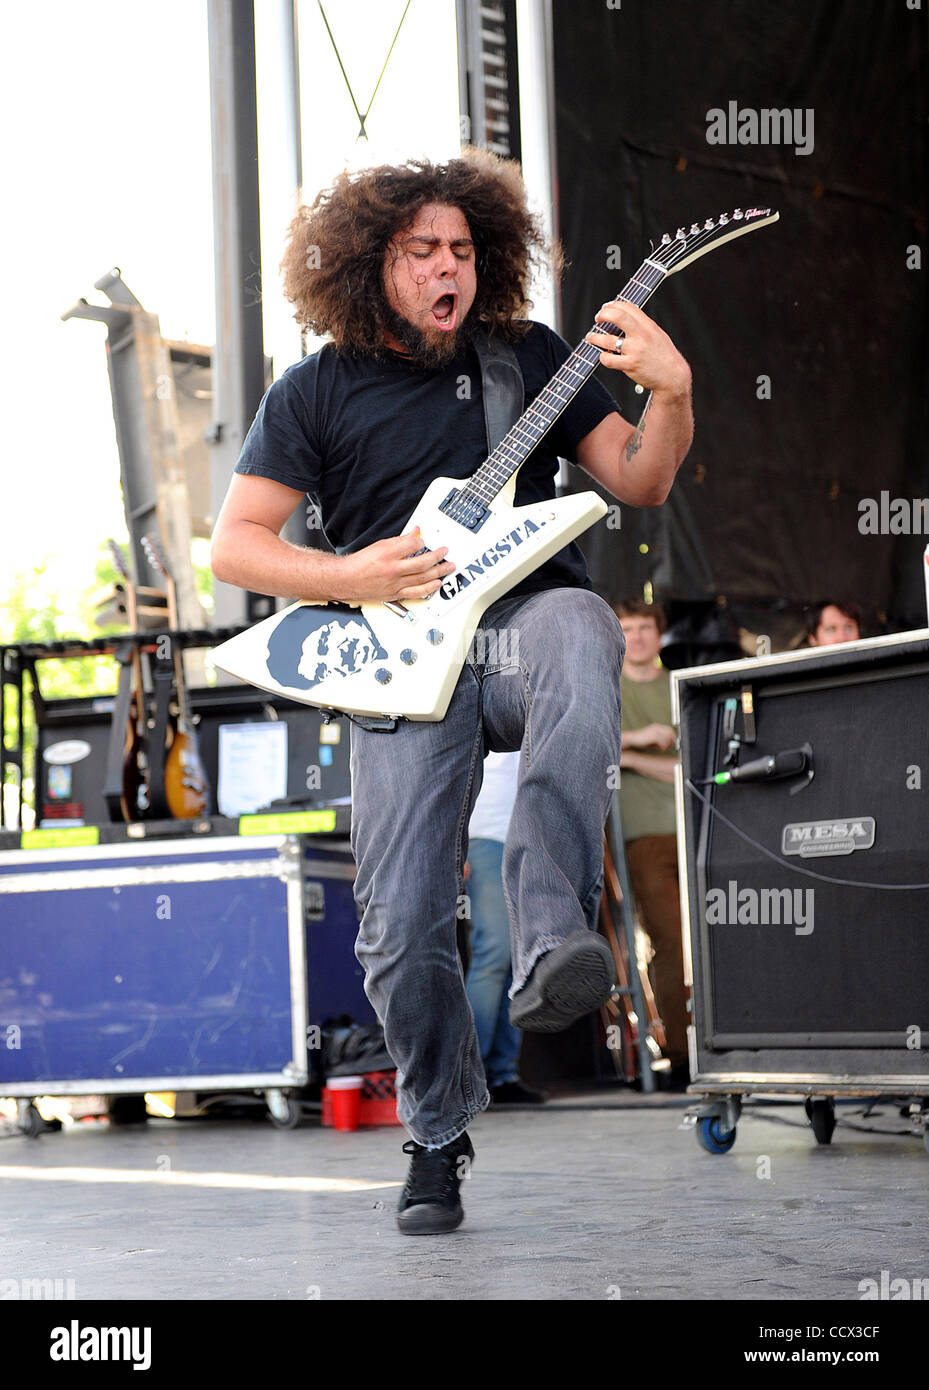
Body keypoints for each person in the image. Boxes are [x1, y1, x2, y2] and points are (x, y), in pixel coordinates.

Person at [211, 150, 693, 1234]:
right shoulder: (314, 390)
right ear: (369, 262)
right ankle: (435, 1128)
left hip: (515, 632)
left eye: (464, 250)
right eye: (422, 250)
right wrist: (349, 575)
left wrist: (673, 390)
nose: (448, 269)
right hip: (398, 662)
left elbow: (642, 478)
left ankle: (551, 929)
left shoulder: (525, 356)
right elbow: (234, 549)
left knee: (578, 621)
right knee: (398, 932)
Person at [615, 599, 690, 1087]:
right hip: (641, 836)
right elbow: (593, 743)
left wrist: (631, 757)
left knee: (720, 940)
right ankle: (682, 1057)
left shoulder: (681, 686)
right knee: (671, 943)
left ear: (660, 635)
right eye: (627, 628)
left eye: (646, 627)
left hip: (700, 829)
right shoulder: (606, 688)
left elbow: (695, 769)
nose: (638, 636)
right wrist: (644, 739)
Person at [464, 750, 544, 1105]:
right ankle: (467, 1075)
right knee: (494, 952)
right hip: (488, 834)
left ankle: (501, 1074)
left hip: (525, 837)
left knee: (517, 959)